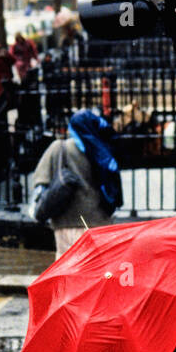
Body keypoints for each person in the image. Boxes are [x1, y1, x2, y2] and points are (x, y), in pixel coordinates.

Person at [29, 110, 123, 258]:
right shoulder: (102, 151)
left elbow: (41, 182)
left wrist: (36, 210)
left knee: (68, 272)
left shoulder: (59, 148)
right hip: (99, 224)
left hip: (66, 223)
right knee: (96, 273)